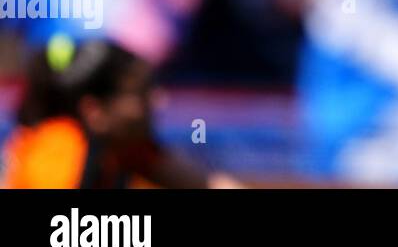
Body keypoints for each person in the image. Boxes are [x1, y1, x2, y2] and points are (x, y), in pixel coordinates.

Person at [1, 37, 239, 188]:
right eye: (141, 94)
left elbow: (211, 185)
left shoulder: (121, 146)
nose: (159, 102)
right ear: (95, 110)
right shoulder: (57, 157)